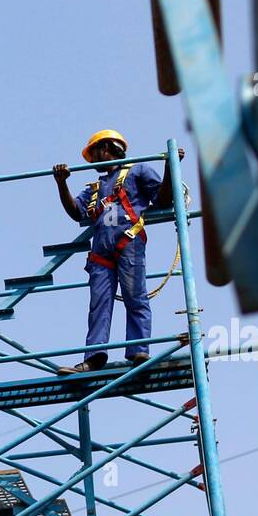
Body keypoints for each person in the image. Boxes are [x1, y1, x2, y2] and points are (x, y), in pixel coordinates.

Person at [51, 130, 185, 373]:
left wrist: (169, 167)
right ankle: (94, 358)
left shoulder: (138, 171)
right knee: (99, 305)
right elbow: (76, 212)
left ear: (106, 148)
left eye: (93, 154)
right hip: (101, 254)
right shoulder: (95, 188)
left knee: (135, 297)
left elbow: (163, 200)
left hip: (128, 243)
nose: (92, 161)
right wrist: (62, 184)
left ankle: (139, 350)